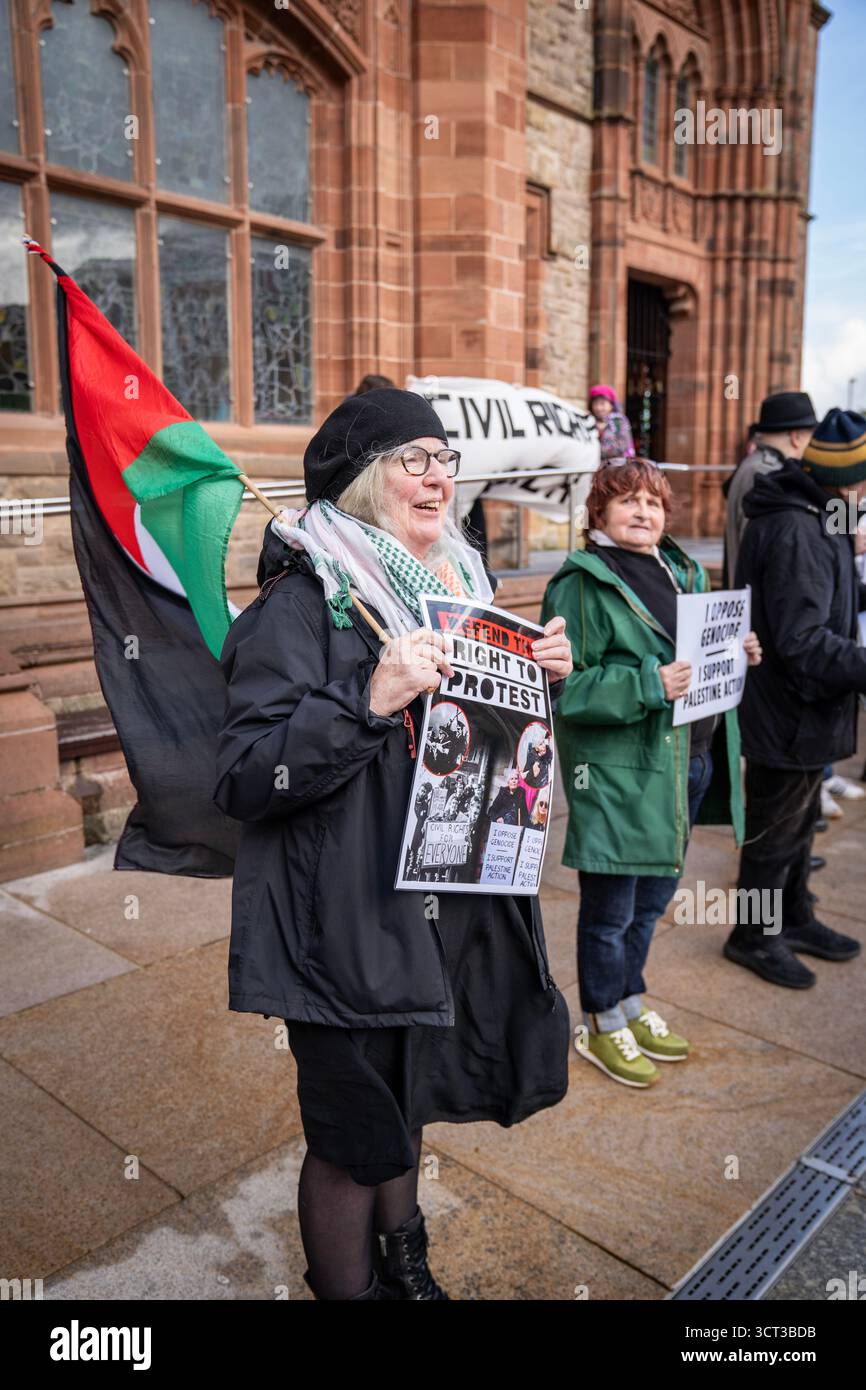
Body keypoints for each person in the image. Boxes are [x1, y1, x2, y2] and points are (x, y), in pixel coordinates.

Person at [213, 387, 574, 1301]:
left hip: (436, 905)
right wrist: (367, 700)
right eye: (415, 458)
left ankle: (406, 1266)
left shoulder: (463, 591)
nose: (440, 476)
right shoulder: (300, 608)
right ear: (365, 480)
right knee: (351, 1137)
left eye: (445, 458)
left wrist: (541, 684)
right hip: (339, 919)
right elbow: (246, 777)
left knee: (409, 1108)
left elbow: (484, 755)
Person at [541, 458, 761, 1088]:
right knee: (610, 910)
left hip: (686, 764)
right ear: (598, 513)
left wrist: (738, 649)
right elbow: (563, 688)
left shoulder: (683, 568)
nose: (643, 512)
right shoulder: (579, 584)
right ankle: (600, 1021)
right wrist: (648, 683)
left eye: (654, 502)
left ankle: (630, 1002)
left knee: (652, 902)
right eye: (628, 500)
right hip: (621, 775)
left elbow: (700, 650)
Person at [723, 408, 866, 987]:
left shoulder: (819, 514)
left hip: (810, 712)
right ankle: (752, 937)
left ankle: (796, 916)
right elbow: (803, 641)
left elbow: (839, 594)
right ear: (846, 480)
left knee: (801, 827)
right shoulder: (795, 528)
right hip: (787, 711)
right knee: (773, 837)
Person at [722, 390, 818, 586]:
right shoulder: (766, 472)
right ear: (796, 437)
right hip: (756, 599)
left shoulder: (754, 465)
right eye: (811, 436)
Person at [588, 383, 636, 462]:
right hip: (594, 468)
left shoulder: (619, 421)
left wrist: (595, 450)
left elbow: (621, 447)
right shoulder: (589, 421)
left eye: (602, 404)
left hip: (618, 469)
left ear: (611, 405)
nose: (599, 408)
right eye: (595, 403)